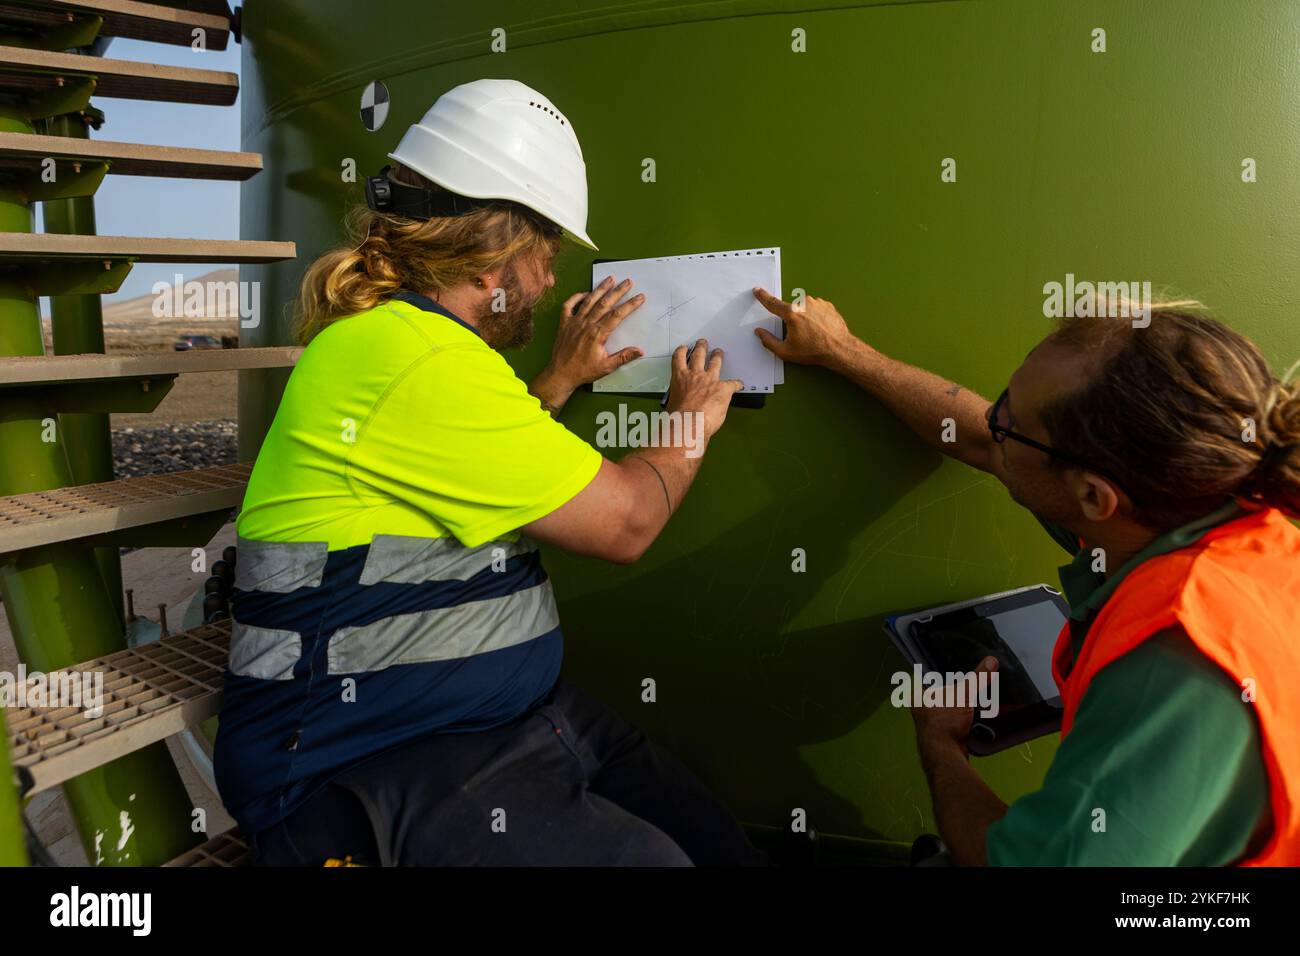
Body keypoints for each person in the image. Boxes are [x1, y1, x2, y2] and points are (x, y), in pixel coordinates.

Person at [214, 79, 765, 866]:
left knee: (715, 848)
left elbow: (466, 470)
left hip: (504, 718)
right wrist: (688, 419)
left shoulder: (413, 348)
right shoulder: (417, 361)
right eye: (544, 259)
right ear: (492, 260)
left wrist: (559, 382)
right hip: (357, 758)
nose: (549, 284)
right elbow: (626, 522)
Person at [753, 287, 1300, 865]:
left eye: (1011, 421)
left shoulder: (1172, 663)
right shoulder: (1220, 518)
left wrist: (941, 745)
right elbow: (981, 441)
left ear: (1093, 496)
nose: (994, 422)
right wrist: (844, 352)